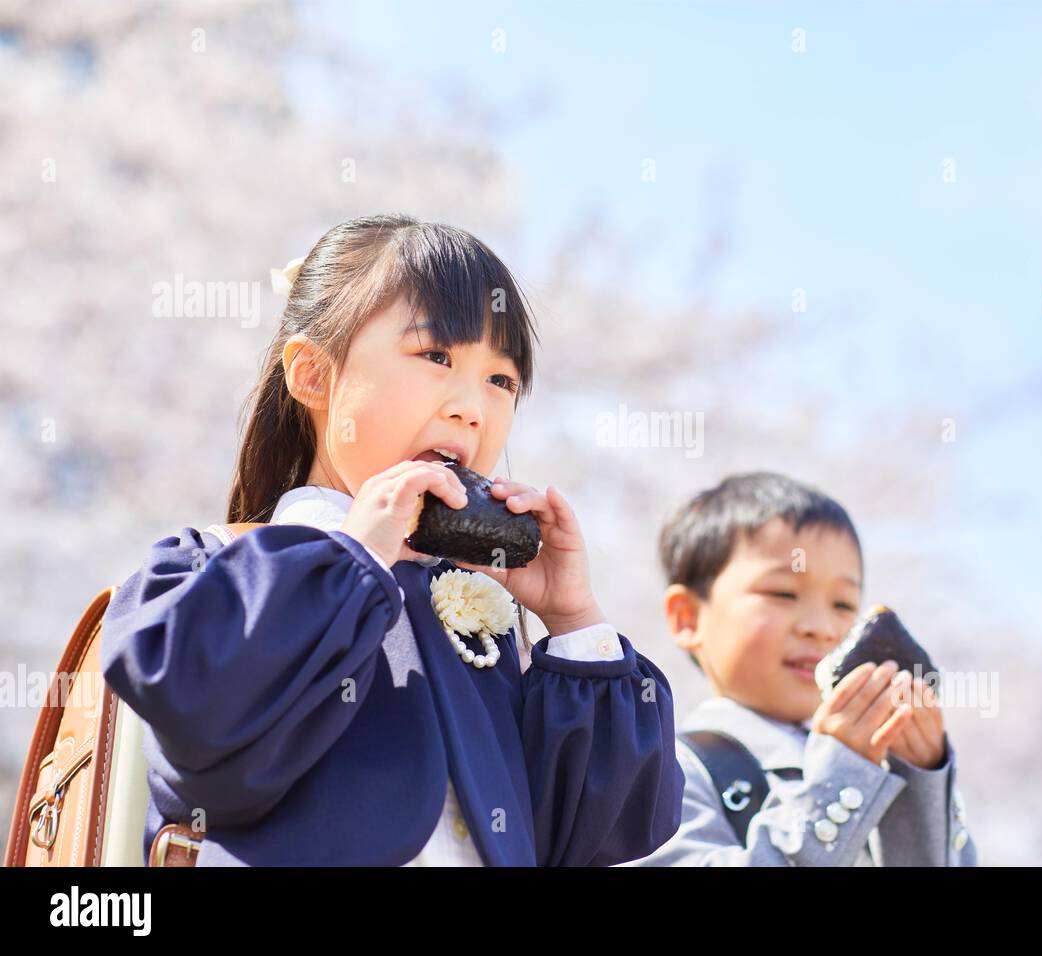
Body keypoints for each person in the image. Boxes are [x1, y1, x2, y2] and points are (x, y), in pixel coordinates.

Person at [100, 214, 684, 866]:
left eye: (503, 381)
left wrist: (571, 620)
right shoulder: (213, 565)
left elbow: (597, 836)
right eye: (436, 356)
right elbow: (204, 736)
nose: (474, 407)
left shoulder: (489, 624)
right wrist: (355, 559)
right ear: (313, 375)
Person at [620, 472, 976, 866]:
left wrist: (919, 783)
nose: (820, 628)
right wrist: (837, 782)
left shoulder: (879, 767)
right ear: (687, 617)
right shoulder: (665, 774)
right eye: (782, 593)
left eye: (843, 605)